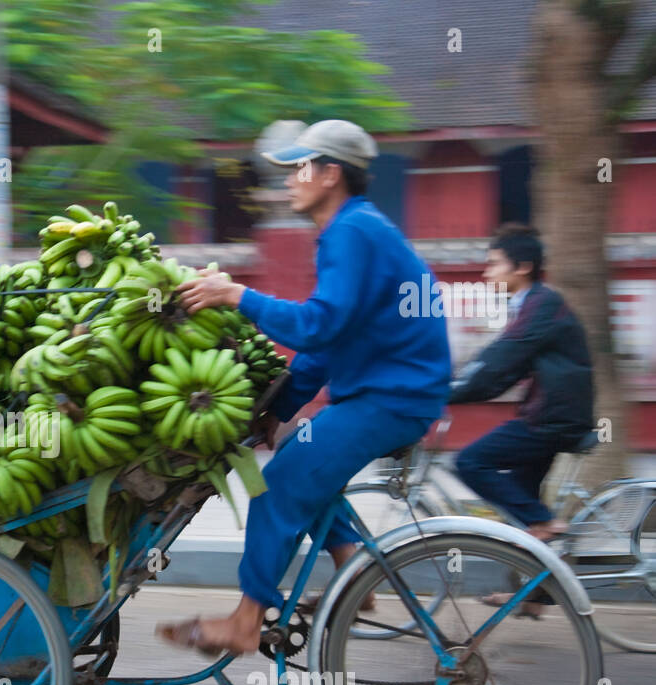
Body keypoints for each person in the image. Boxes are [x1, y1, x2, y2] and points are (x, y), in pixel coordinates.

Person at [156, 119, 452, 656]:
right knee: (299, 452)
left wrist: (235, 295)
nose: (289, 181)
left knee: (275, 489)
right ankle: (355, 577)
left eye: (299, 169)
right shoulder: (355, 227)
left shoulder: (352, 232)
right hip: (392, 392)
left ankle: (246, 622)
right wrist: (284, 406)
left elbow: (318, 326)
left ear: (331, 174)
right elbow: (334, 339)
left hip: (392, 399)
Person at [447, 224, 594, 612]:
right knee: (518, 500)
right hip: (551, 415)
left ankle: (545, 524)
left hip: (552, 420)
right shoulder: (534, 306)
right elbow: (503, 372)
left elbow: (500, 358)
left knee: (469, 461)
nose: (486, 273)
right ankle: (536, 594)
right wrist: (459, 389)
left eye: (494, 264)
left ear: (523, 267)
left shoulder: (542, 305)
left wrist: (446, 392)